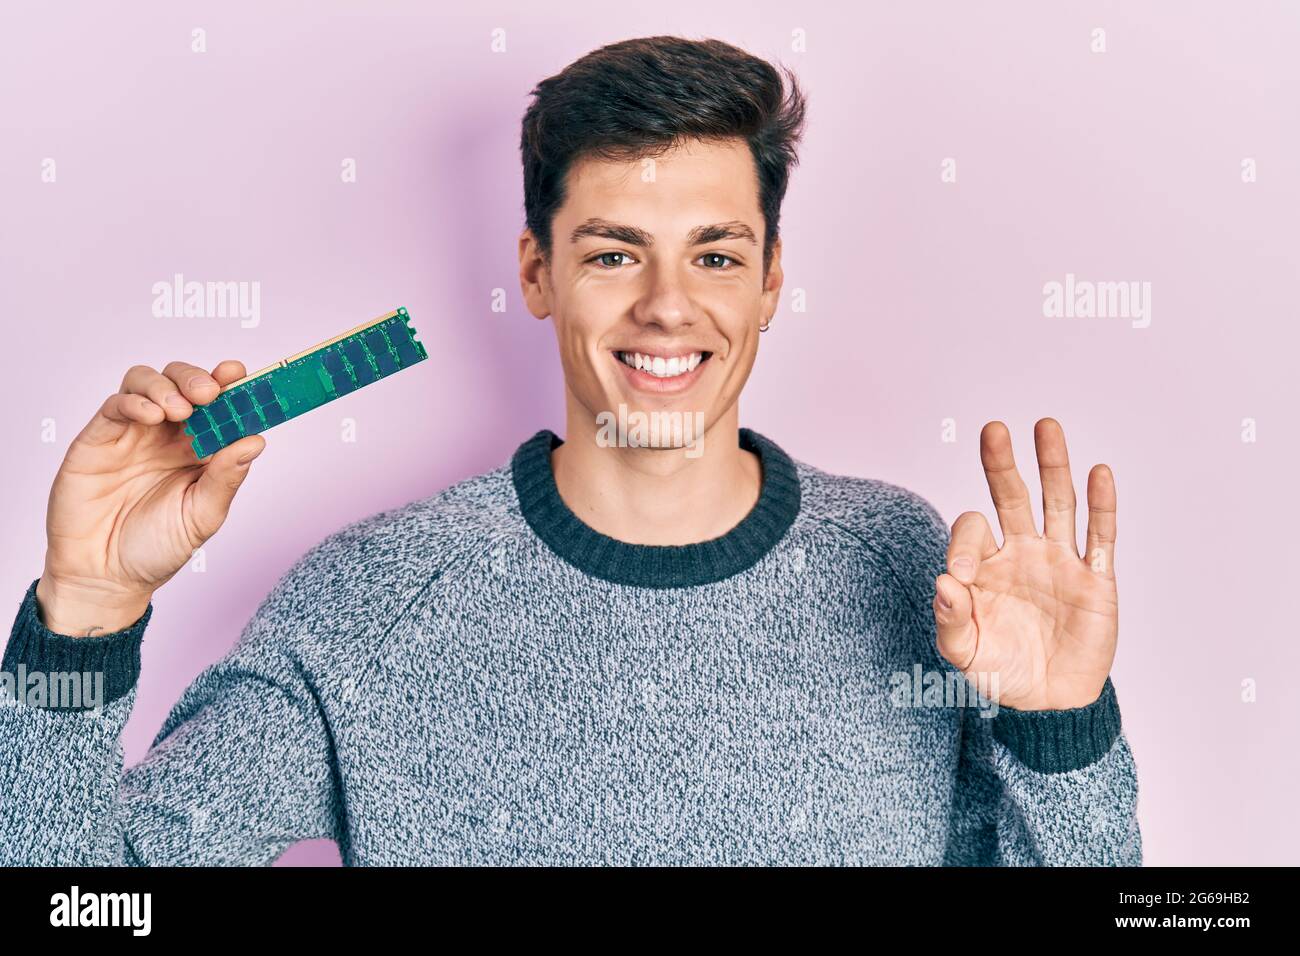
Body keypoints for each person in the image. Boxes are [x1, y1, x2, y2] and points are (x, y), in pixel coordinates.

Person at [0, 35, 1139, 865]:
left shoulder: (910, 564)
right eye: (611, 254)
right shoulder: (375, 597)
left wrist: (1061, 729)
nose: (665, 306)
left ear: (772, 280)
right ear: (537, 273)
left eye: (714, 255)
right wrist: (85, 613)